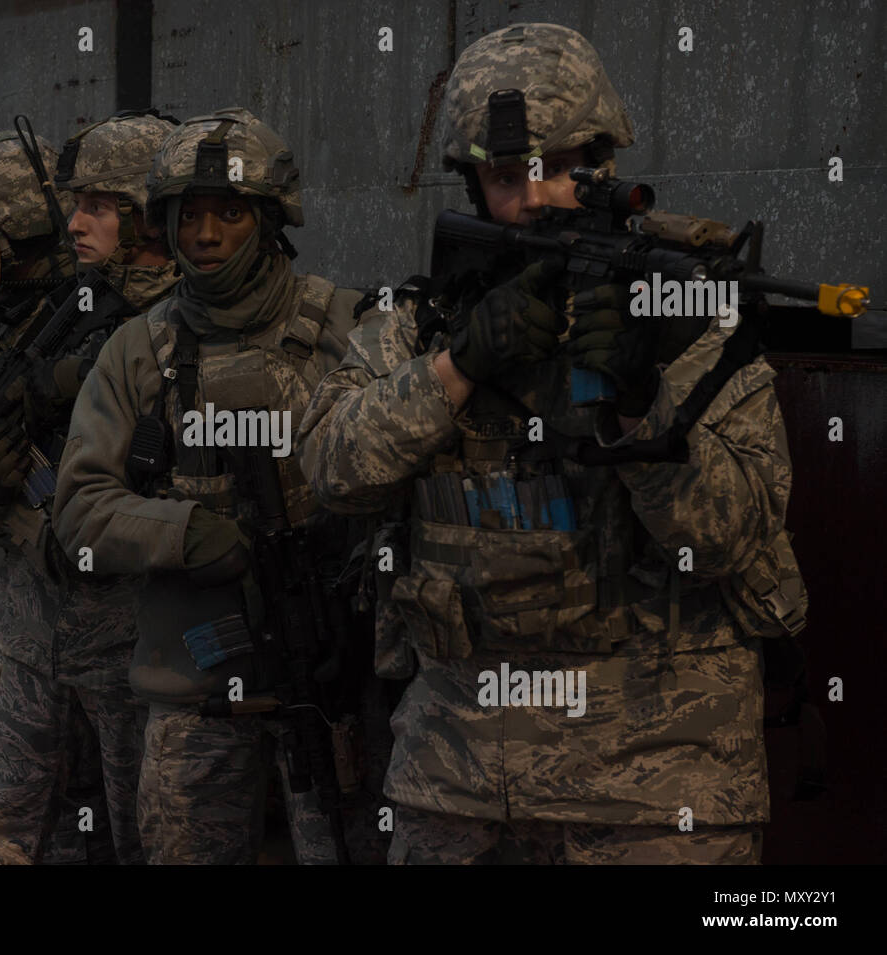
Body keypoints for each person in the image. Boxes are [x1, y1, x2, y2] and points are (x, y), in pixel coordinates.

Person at [296, 22, 801, 864]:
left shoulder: (692, 325)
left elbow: (730, 536)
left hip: (659, 785)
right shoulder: (420, 327)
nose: (535, 200)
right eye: (507, 176)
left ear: (605, 171)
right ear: (471, 185)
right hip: (459, 781)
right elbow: (330, 471)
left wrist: (643, 406)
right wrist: (459, 365)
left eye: (562, 170)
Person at [52, 107, 383, 864]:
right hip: (194, 689)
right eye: (189, 215)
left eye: (229, 214)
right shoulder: (140, 348)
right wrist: (182, 532)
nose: (206, 235)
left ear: (269, 221)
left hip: (333, 681)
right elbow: (79, 507)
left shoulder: (348, 327)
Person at [0, 112, 180, 864]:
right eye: (74, 203)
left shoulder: (176, 327)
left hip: (131, 640)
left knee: (139, 829)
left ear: (145, 214)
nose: (75, 221)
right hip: (36, 625)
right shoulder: (76, 307)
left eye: (99, 206)